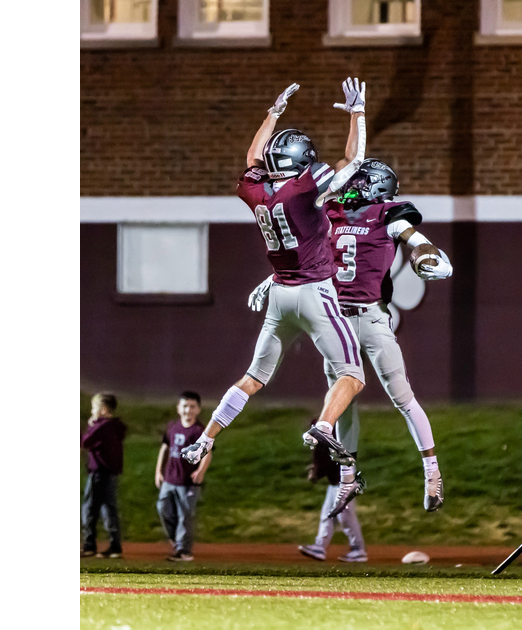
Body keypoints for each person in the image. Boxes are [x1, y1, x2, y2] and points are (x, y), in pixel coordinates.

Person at [181, 78, 373, 519]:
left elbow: (252, 158)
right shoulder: (307, 187)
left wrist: (273, 112)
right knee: (352, 373)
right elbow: (354, 159)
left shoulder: (258, 191)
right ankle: (323, 426)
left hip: (280, 297)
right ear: (303, 161)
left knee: (252, 377)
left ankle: (206, 438)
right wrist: (357, 112)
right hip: (315, 292)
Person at [249, 158, 453, 516]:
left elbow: (423, 245)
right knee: (343, 403)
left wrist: (433, 260)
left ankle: (432, 473)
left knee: (403, 397)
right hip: (336, 321)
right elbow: (305, 257)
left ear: (375, 185)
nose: (350, 185)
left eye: (359, 180)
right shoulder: (331, 213)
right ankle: (347, 477)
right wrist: (271, 281)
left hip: (372, 317)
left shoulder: (390, 216)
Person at [298, 419, 367, 563]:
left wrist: (316, 473)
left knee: (346, 517)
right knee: (327, 516)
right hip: (336, 483)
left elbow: (325, 463)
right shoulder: (335, 438)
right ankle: (319, 547)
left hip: (344, 484)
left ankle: (358, 550)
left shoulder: (324, 442)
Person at [156, 391, 213, 562]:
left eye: (192, 407)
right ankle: (176, 539)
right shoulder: (173, 427)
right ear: (178, 408)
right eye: (185, 406)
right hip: (169, 479)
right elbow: (165, 448)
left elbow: (207, 453)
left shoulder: (199, 431)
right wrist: (159, 470)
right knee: (163, 508)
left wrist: (200, 471)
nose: (188, 410)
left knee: (184, 515)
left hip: (188, 482)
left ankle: (184, 551)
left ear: (198, 409)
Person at [80, 392, 128, 558]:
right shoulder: (114, 426)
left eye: (95, 407)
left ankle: (89, 545)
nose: (92, 410)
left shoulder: (102, 426)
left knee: (89, 509)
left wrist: (91, 425)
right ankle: (115, 546)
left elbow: (85, 442)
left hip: (99, 472)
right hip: (110, 473)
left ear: (104, 409)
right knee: (109, 509)